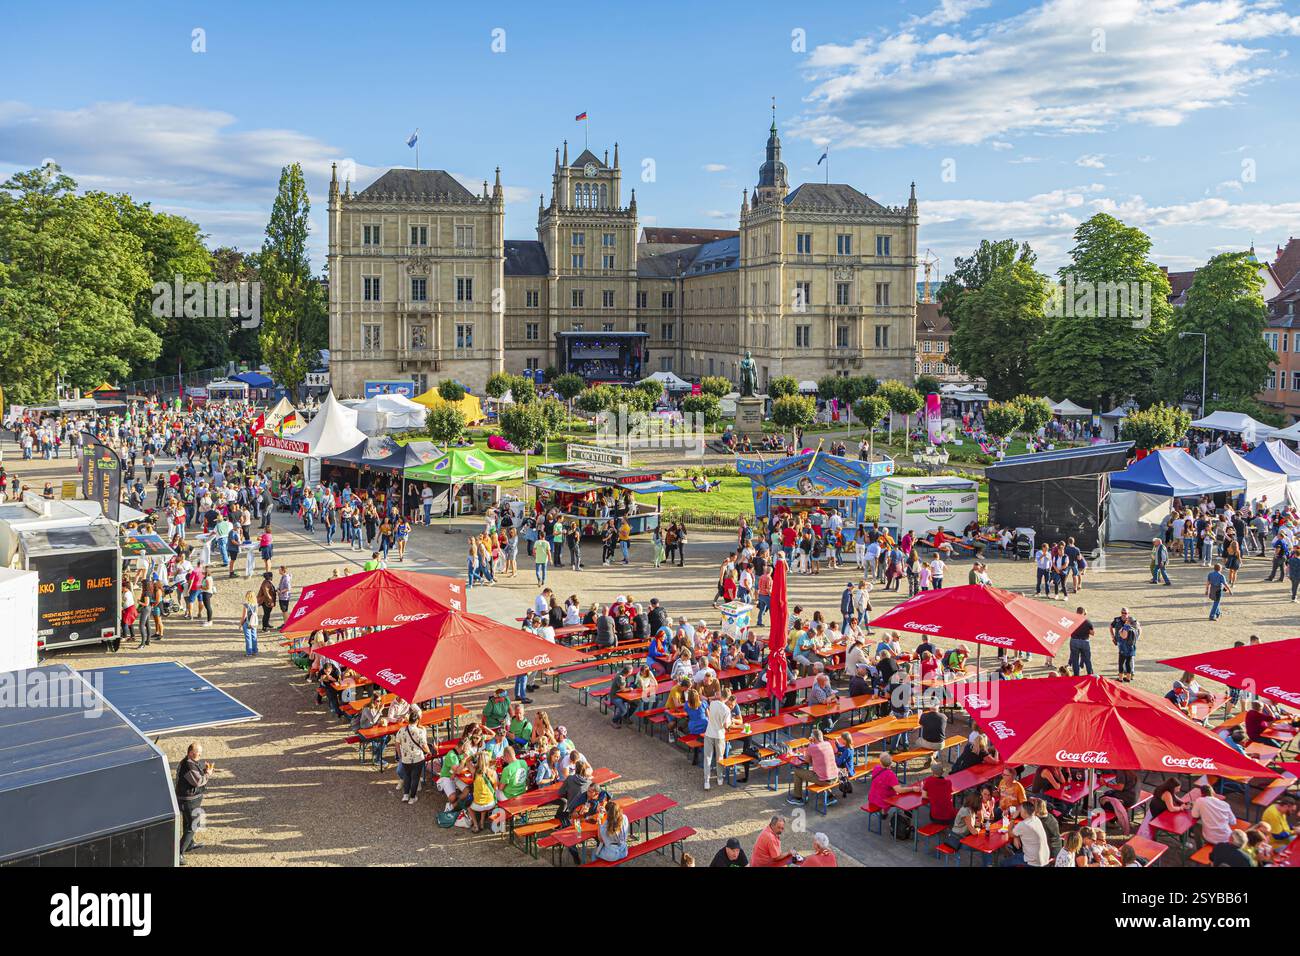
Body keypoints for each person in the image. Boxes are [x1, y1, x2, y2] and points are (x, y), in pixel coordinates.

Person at [175, 743, 212, 862]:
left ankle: (189, 843)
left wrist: (205, 770)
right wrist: (208, 774)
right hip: (188, 801)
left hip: (187, 800)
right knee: (193, 825)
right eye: (198, 753)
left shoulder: (188, 762)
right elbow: (198, 781)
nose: (200, 755)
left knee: (187, 823)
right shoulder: (189, 765)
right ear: (191, 752)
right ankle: (179, 853)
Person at [788, 728, 837, 806]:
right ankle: (830, 796)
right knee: (824, 772)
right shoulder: (828, 744)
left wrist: (810, 744)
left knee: (797, 772)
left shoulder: (812, 747)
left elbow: (807, 761)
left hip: (824, 781)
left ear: (813, 738)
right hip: (835, 777)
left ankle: (798, 798)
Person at [396, 712, 431, 804]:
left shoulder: (402, 730)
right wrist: (429, 752)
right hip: (417, 758)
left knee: (407, 777)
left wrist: (400, 755)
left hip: (405, 759)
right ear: (417, 720)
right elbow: (424, 745)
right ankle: (412, 797)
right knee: (415, 778)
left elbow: (397, 743)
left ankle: (405, 795)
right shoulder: (420, 731)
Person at [1002, 802, 1050, 867]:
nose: (1019, 812)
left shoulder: (1023, 824)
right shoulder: (1036, 819)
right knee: (1018, 852)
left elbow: (1010, 833)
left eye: (1020, 810)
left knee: (1004, 863)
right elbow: (1021, 832)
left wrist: (1013, 818)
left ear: (1024, 812)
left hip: (1034, 862)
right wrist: (1016, 837)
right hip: (1045, 857)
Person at [702, 690, 731, 791]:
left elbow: (709, 710)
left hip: (709, 733)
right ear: (727, 698)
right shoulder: (727, 709)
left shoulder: (713, 703)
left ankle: (707, 781)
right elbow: (726, 725)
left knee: (707, 758)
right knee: (719, 757)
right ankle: (719, 778)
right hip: (719, 735)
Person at [1068, 607, 1094, 676]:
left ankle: (1076, 675)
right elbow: (1092, 633)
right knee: (1087, 659)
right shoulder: (1087, 621)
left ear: (1076, 612)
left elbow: (1068, 629)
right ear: (1083, 613)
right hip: (1084, 642)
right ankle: (1090, 674)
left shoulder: (1072, 620)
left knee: (1075, 660)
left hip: (1074, 641)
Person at [240, 590, 259, 655]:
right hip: (254, 623)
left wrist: (241, 623)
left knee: (248, 638)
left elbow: (244, 616)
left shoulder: (246, 605)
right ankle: (255, 651)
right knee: (254, 636)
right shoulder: (256, 605)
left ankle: (249, 652)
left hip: (247, 623)